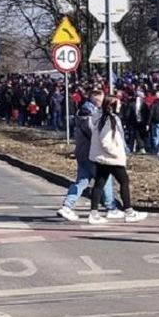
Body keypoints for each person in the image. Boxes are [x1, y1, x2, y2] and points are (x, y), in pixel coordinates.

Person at [87, 95, 147, 225]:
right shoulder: (110, 120)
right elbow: (106, 141)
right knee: (124, 182)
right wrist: (116, 154)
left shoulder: (100, 118)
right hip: (111, 158)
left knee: (99, 184)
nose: (120, 106)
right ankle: (129, 211)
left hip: (103, 158)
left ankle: (94, 213)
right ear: (111, 106)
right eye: (118, 104)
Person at [57, 93, 117, 222]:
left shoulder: (84, 113)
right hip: (91, 154)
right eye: (102, 100)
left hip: (83, 153)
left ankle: (67, 206)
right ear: (96, 101)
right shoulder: (89, 115)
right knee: (104, 179)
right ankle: (111, 208)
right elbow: (95, 134)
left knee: (82, 181)